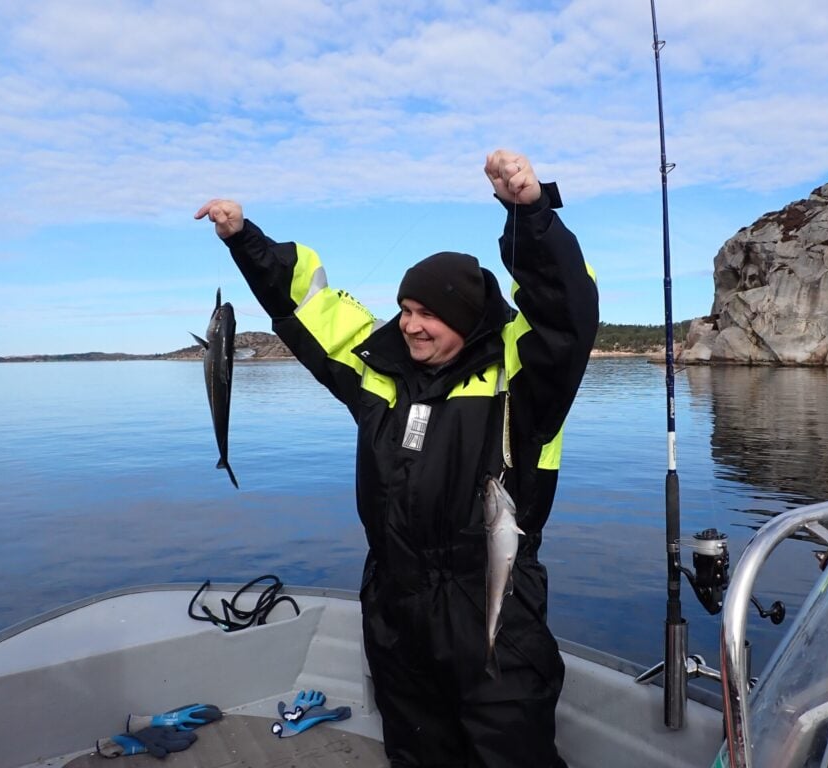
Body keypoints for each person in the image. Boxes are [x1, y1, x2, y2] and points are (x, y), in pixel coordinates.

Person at [195, 149, 599, 767]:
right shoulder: (380, 372)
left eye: (429, 314)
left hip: (490, 606)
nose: (410, 327)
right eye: (407, 311)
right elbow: (311, 305)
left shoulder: (522, 381)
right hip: (394, 606)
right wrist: (243, 237)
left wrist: (532, 215)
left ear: (466, 319)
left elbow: (565, 310)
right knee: (416, 755)